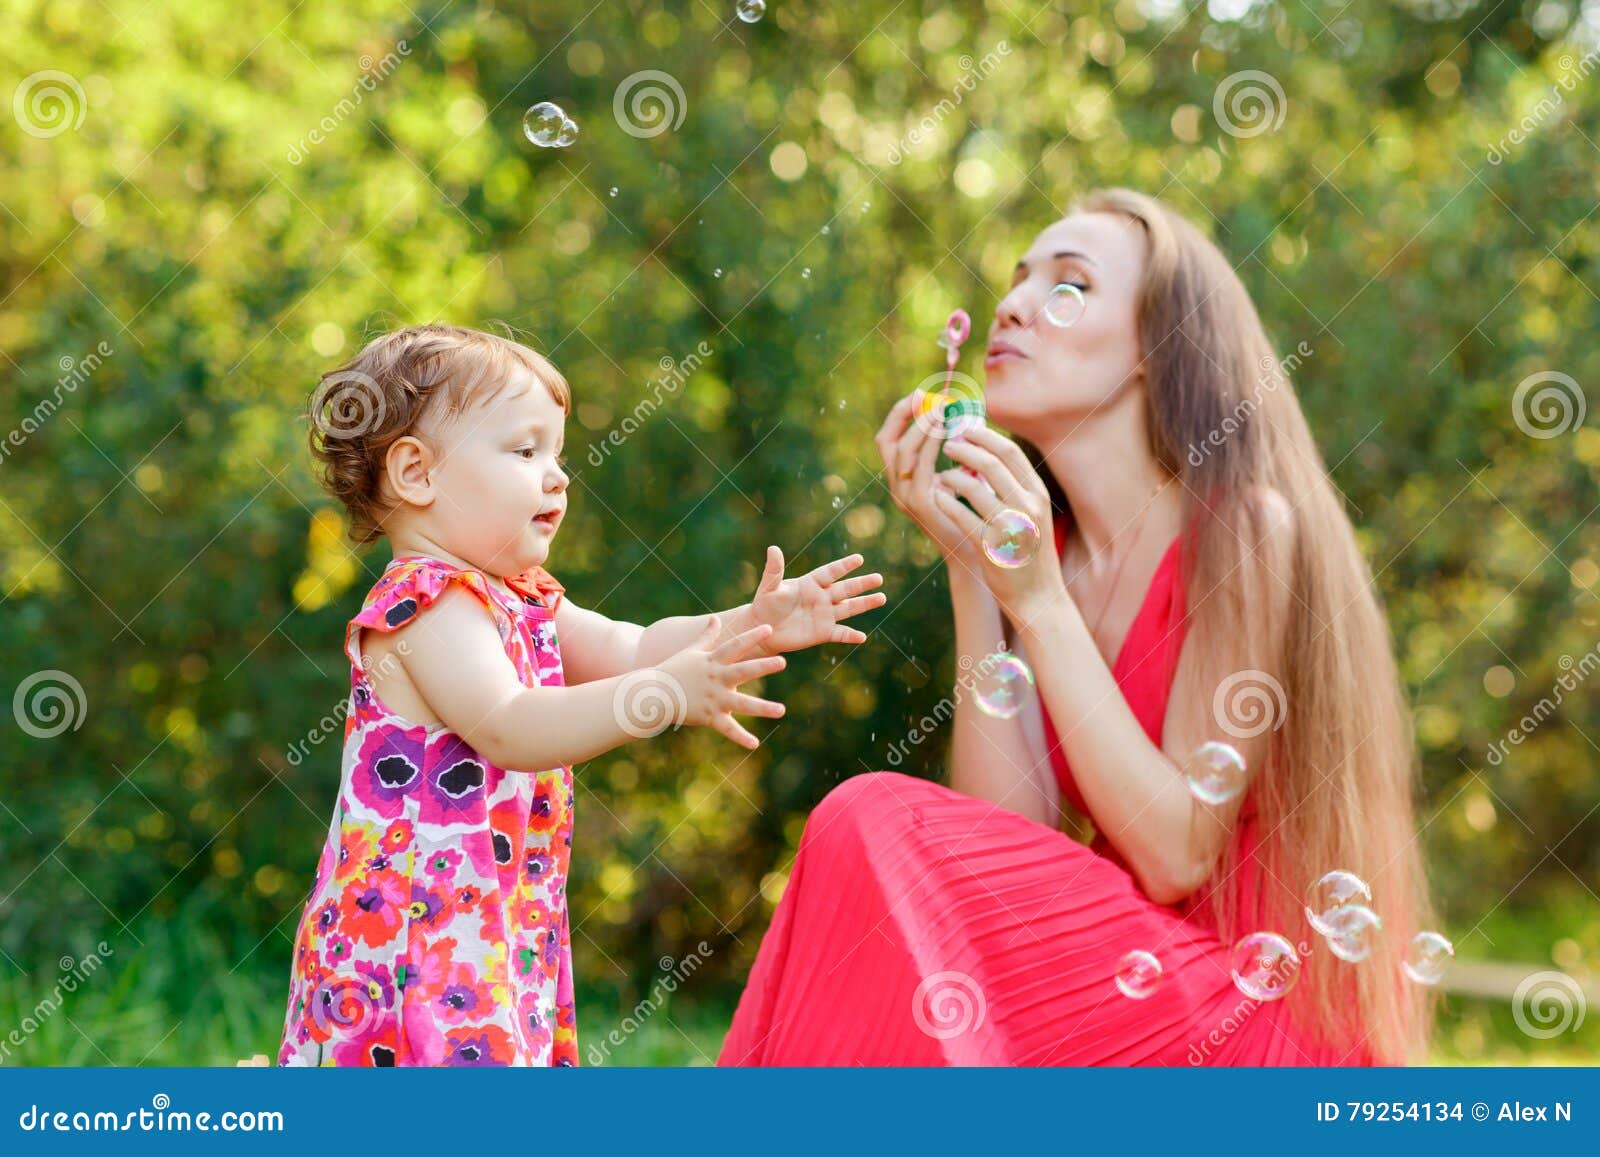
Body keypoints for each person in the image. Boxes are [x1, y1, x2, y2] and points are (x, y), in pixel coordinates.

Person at [719, 189, 1438, 1066]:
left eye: (1069, 287)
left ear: (1154, 348)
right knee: (875, 833)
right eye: (1017, 279)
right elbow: (993, 853)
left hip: (1249, 1020)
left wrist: (1039, 599)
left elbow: (1177, 854)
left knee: (869, 811)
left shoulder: (1243, 530)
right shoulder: (1043, 555)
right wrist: (973, 569)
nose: (1012, 303)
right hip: (1127, 990)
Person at [276, 324, 886, 1065]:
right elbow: (509, 725)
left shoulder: (524, 599)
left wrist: (752, 622)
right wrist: (660, 695)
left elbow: (632, 645)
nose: (559, 475)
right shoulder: (426, 603)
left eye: (558, 454)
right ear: (416, 473)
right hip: (410, 944)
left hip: (491, 930)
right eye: (526, 450)